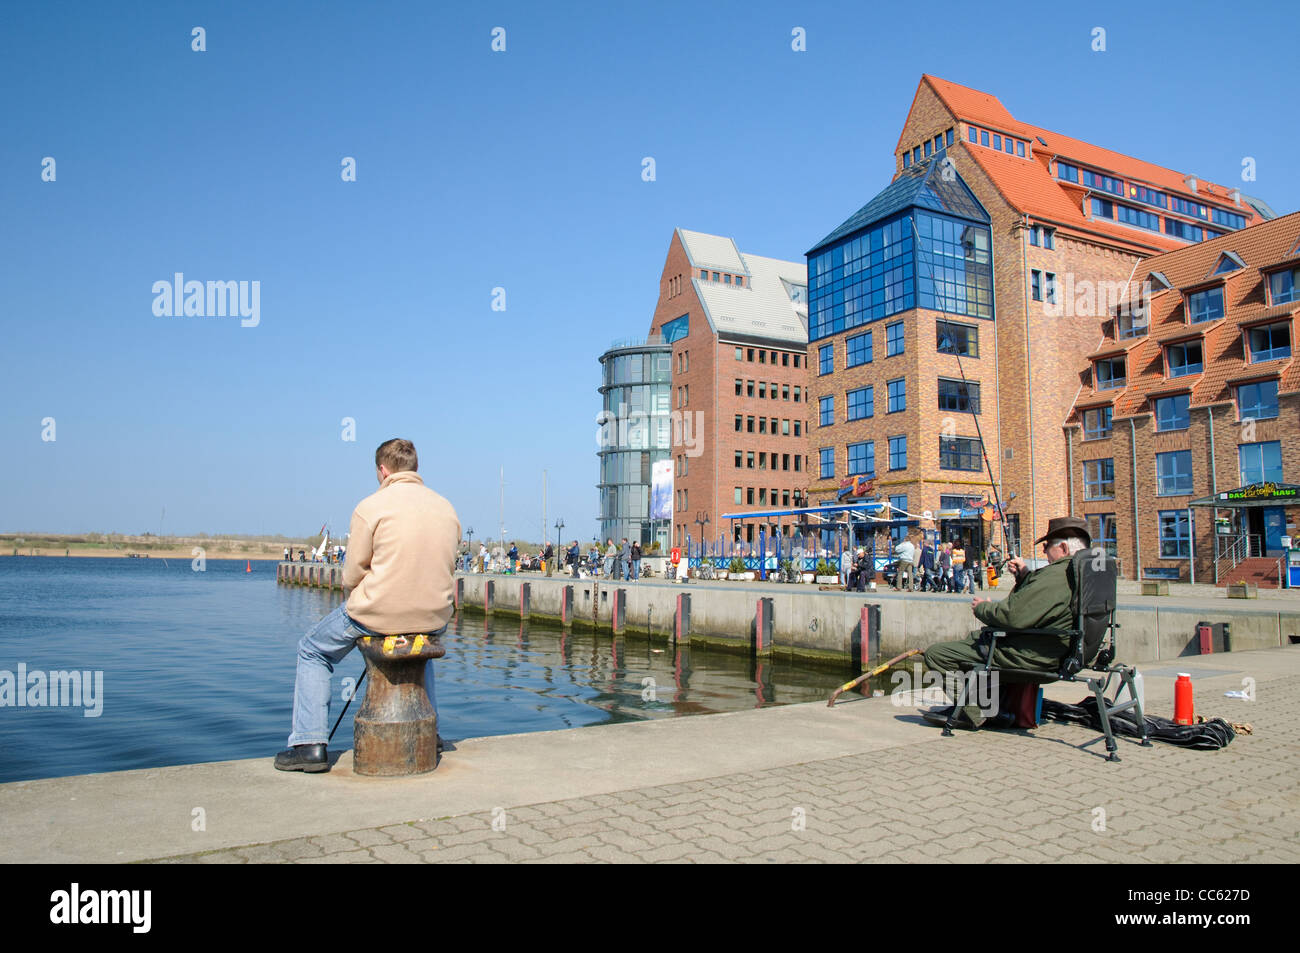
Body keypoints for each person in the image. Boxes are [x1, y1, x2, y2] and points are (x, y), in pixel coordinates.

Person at [276, 439, 460, 773]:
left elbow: (351, 574)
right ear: (415, 467)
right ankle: (429, 733)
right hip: (434, 616)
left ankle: (308, 743)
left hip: (378, 612)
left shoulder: (371, 507)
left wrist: (366, 596)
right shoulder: (446, 507)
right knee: (419, 645)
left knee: (312, 650)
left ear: (382, 470)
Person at [922, 516, 1091, 728]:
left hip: (1030, 656)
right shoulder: (1083, 572)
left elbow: (1012, 616)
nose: (1044, 552)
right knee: (974, 641)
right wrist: (1025, 576)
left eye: (1047, 546)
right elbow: (1041, 606)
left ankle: (976, 713)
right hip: (1056, 651)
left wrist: (982, 607)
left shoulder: (1056, 575)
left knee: (938, 654)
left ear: (1064, 547)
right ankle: (985, 704)